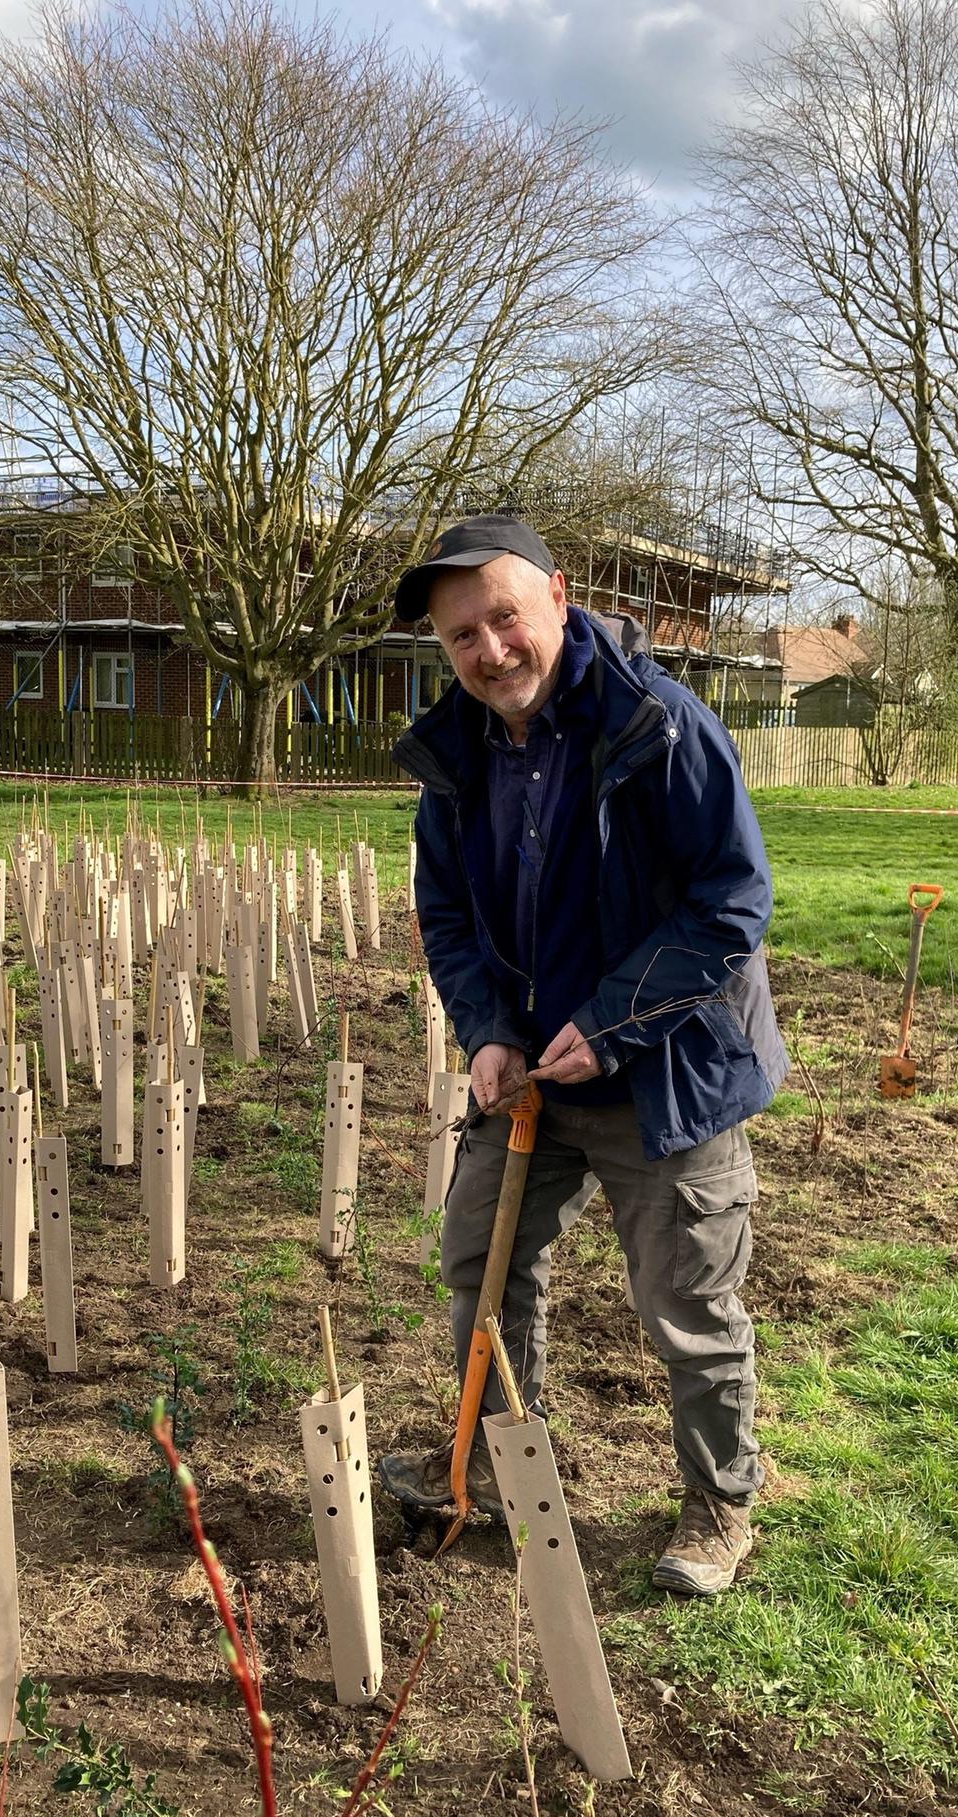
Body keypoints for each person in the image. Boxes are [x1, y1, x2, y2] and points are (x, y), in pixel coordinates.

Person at [380, 515, 789, 1596]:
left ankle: (720, 1498)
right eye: (461, 635)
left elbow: (731, 903)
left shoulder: (663, 725)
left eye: (504, 617)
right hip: (529, 1072)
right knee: (481, 1264)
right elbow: (447, 913)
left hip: (668, 1066)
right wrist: (488, 1031)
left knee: (686, 1301)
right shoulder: (456, 754)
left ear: (559, 598)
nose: (489, 650)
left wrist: (610, 1024)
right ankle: (505, 1461)